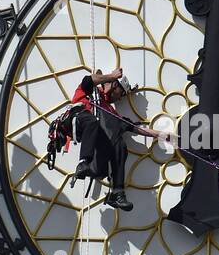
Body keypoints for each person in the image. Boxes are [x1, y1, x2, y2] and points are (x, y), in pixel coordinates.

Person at [69, 68, 168, 212]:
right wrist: (111, 76)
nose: (120, 98)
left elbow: (135, 128)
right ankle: (83, 163)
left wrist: (162, 135)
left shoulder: (111, 111)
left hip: (98, 152)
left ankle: (117, 192)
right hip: (80, 124)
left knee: (120, 142)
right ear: (114, 85)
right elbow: (88, 80)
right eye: (121, 93)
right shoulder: (90, 92)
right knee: (97, 122)